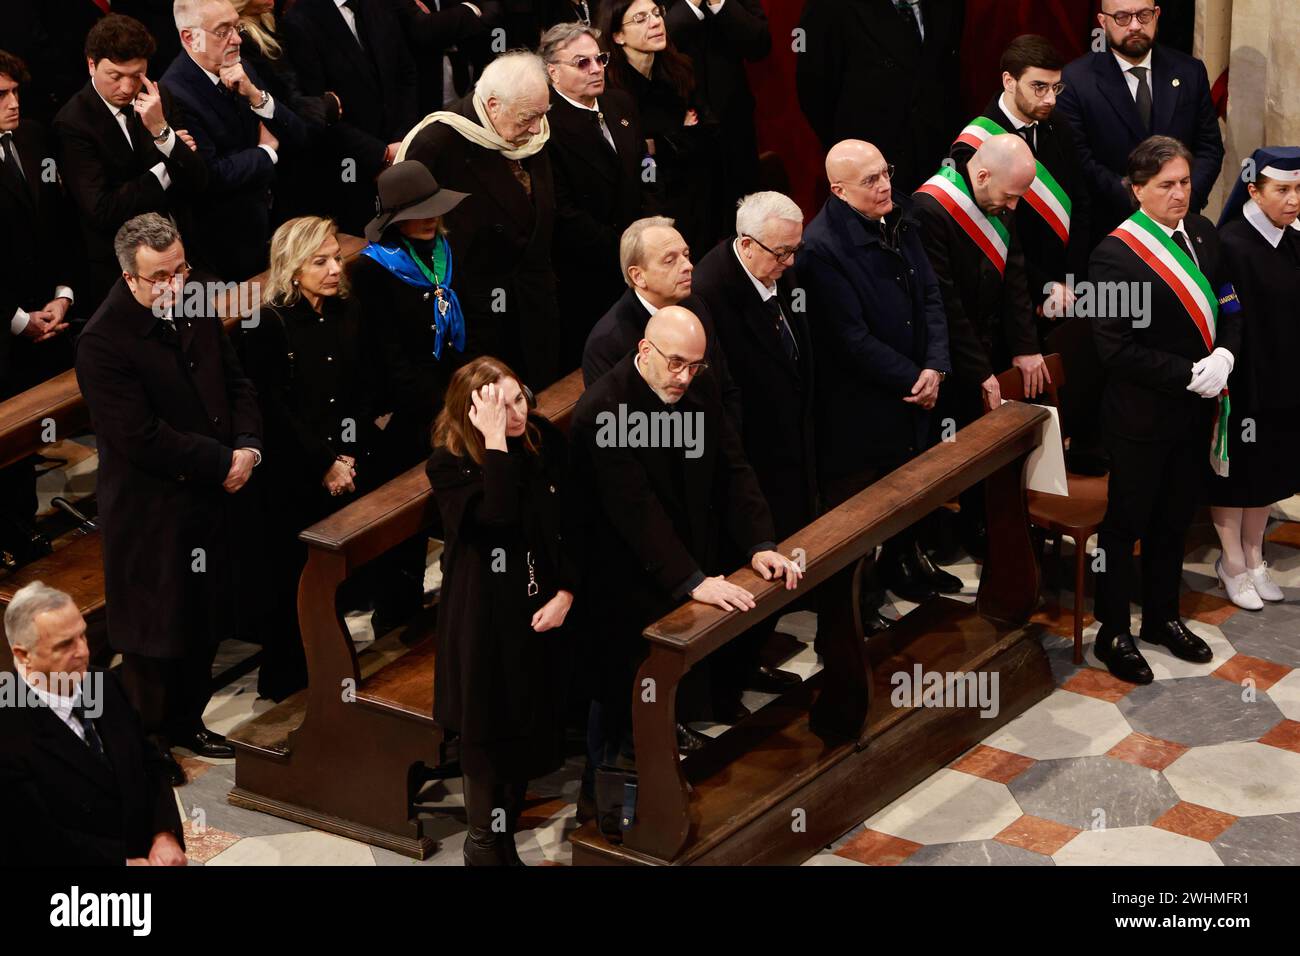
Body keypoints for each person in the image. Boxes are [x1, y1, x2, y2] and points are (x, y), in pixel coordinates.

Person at [569, 305, 802, 809]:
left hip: (680, 557)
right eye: (674, 363)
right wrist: (692, 580)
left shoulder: (701, 387)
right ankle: (607, 808)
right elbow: (635, 511)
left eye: (694, 365)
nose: (684, 376)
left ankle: (654, 788)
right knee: (620, 693)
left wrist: (761, 544)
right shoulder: (603, 411)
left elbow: (732, 468)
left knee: (660, 693)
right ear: (644, 351)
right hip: (619, 576)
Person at [74, 213, 264, 777]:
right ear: (129, 277)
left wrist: (249, 445)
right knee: (155, 633)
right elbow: (139, 436)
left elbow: (237, 383)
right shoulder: (102, 341)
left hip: (211, 494)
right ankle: (147, 743)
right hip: (151, 510)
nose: (176, 286)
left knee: (204, 619)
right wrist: (220, 460)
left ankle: (187, 721)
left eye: (180, 270)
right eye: (160, 277)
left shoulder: (196, 296)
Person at [1089, 135, 1241, 684]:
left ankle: (1161, 617)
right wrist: (1187, 374)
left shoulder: (1201, 232)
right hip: (1140, 417)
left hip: (1195, 412)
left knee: (1174, 519)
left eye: (1184, 182)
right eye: (1166, 186)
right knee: (1125, 523)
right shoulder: (1112, 253)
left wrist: (1226, 353)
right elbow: (1112, 349)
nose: (1180, 194)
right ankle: (1112, 630)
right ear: (1137, 191)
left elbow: (1229, 301)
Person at [426, 356, 581, 866]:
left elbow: (577, 520)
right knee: (487, 726)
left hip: (539, 603)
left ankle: (504, 828)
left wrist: (567, 592)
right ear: (471, 410)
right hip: (482, 616)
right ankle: (485, 842)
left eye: (519, 398)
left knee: (524, 719)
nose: (516, 413)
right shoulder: (449, 464)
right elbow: (495, 518)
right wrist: (495, 445)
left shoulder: (542, 440)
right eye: (500, 405)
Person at [802, 139, 956, 604]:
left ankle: (905, 562)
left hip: (916, 385)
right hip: (865, 402)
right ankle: (859, 602)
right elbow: (849, 338)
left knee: (912, 485)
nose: (885, 184)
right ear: (839, 190)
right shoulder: (820, 248)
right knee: (865, 506)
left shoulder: (902, 215)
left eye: (885, 171)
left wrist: (936, 366)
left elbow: (931, 294)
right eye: (870, 180)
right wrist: (915, 378)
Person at [237, 216, 384, 700]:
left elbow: (363, 388)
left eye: (336, 258)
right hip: (290, 474)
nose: (334, 269)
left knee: (335, 577)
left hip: (343, 462)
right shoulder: (267, 324)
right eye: (319, 261)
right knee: (291, 582)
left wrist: (349, 454)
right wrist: (324, 462)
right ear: (291, 267)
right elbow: (273, 410)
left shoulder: (347, 310)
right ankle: (286, 682)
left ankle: (329, 670)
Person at [690, 191, 813, 717]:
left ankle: (748, 663)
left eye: (794, 253)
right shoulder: (712, 291)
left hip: (785, 441)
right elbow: (723, 388)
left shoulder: (777, 268)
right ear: (745, 242)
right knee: (743, 567)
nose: (789, 265)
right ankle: (717, 688)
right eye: (781, 254)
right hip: (744, 458)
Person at [397, 51, 563, 391]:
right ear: (492, 105)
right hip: (478, 316)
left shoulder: (530, 127)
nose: (535, 129)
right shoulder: (437, 142)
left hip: (534, 301)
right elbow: (408, 241)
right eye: (526, 119)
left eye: (541, 116)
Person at [0, 582, 187, 865]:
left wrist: (164, 834)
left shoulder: (104, 685)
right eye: (65, 644)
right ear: (23, 654)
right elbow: (32, 835)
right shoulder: (9, 724)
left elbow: (150, 762)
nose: (83, 652)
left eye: (83, 636)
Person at [52, 14, 207, 302]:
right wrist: (167, 164)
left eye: (137, 75)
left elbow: (199, 179)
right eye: (115, 76)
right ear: (91, 65)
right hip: (122, 272)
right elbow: (102, 209)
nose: (126, 88)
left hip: (182, 253)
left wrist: (161, 129)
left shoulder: (158, 98)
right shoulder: (72, 123)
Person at [1206, 147, 1300, 610]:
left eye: (1299, 189)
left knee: (1268, 471)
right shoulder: (1233, 243)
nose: (1293, 199)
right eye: (1281, 190)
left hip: (1285, 378)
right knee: (1237, 473)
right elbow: (1230, 317)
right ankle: (1231, 563)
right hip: (1243, 379)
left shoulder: (1294, 240)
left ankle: (1255, 556)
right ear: (1254, 191)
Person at [950, 35, 1092, 333]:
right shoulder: (973, 144)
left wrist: (1068, 280)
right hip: (1008, 300)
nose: (1050, 98)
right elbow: (986, 231)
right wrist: (1043, 287)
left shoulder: (1059, 125)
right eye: (1039, 87)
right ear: (1009, 81)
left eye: (1056, 87)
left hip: (1065, 293)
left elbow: (1081, 204)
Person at [163, 0, 310, 281]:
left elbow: (298, 135)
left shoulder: (239, 65)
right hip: (228, 243)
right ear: (189, 37)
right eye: (223, 31)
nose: (237, 38)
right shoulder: (175, 93)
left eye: (236, 26)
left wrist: (257, 96)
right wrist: (266, 151)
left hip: (277, 219)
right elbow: (211, 175)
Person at [1057, 0, 1225, 245]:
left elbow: (1209, 147)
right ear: (1103, 22)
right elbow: (1080, 159)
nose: (1135, 25)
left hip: (1180, 227)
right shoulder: (1076, 80)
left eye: (1143, 15)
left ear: (1156, 15)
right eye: (1122, 17)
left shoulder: (1190, 71)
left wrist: (1184, 196)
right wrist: (1143, 202)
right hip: (1111, 230)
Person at [0, 50, 78, 567]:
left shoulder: (31, 137)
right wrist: (19, 320)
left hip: (49, 313)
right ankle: (13, 532)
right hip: (7, 330)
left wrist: (63, 293)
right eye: (0, 97)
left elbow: (62, 221)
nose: (12, 105)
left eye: (13, 93)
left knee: (39, 427)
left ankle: (24, 525)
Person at [350, 161, 472, 471]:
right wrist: (440, 410)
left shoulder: (446, 245)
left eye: (434, 208)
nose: (431, 218)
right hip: (409, 404)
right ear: (394, 220)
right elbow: (388, 352)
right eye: (419, 213)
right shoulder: (373, 268)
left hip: (455, 383)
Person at [541, 22, 646, 369]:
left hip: (640, 255)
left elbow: (647, 172)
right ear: (552, 72)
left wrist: (650, 233)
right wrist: (623, 248)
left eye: (599, 59)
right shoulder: (547, 127)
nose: (597, 68)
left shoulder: (620, 102)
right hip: (589, 273)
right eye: (582, 63)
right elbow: (564, 212)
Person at [582, 215, 742, 422]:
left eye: (686, 254)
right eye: (670, 260)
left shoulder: (695, 306)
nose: (688, 266)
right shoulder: (607, 343)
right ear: (638, 276)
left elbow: (725, 389)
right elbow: (616, 427)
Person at [796, 0, 965, 194]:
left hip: (939, 160)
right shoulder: (828, 6)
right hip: (873, 166)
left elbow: (947, 74)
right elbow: (815, 94)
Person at [282, 0, 420, 234]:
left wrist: (403, 141)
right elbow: (316, 110)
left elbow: (406, 74)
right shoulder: (299, 20)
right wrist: (380, 154)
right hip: (352, 168)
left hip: (402, 152)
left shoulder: (379, 5)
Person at [601, 0, 725, 253]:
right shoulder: (609, 90)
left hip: (698, 198)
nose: (656, 22)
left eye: (657, 14)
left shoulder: (680, 67)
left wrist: (659, 143)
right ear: (618, 35)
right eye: (641, 18)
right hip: (648, 210)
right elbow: (631, 159)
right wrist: (680, 134)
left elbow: (711, 133)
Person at [664, 0, 769, 210]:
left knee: (747, 210)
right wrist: (690, 5)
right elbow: (648, 39)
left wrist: (720, 4)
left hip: (734, 122)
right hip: (678, 128)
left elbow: (760, 45)